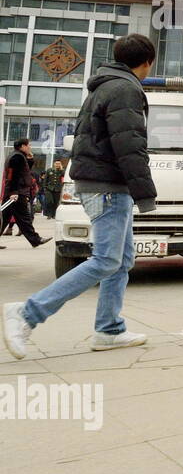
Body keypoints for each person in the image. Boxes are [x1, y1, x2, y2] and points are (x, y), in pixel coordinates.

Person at [3, 35, 158, 360]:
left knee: (121, 260)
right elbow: (129, 145)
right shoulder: (126, 88)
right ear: (147, 62)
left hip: (101, 183)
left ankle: (109, 329)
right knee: (106, 260)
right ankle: (27, 313)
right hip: (108, 186)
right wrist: (146, 194)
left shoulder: (103, 85)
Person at [4, 139, 52, 249]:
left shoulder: (19, 156)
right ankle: (36, 239)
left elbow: (24, 171)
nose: (30, 147)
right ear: (22, 146)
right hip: (17, 193)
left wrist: (30, 159)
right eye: (28, 145)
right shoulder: (17, 157)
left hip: (17, 192)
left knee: (5, 217)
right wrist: (14, 192)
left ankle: (35, 240)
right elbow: (13, 175)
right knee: (24, 218)